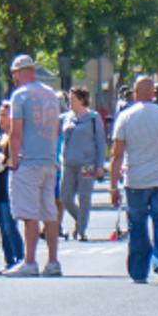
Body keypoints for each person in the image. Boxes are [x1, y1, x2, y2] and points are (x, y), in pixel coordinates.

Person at [109, 75, 158, 286]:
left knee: (138, 226)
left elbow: (116, 155)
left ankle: (139, 270)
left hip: (135, 180)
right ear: (154, 93)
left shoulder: (126, 117)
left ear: (135, 93)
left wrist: (113, 186)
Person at [3, 54, 63, 277]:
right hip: (49, 159)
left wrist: (13, 159)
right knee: (49, 212)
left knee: (29, 213)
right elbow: (56, 130)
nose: (14, 79)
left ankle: (29, 262)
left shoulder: (20, 95)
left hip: (28, 161)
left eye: (14, 74)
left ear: (19, 73)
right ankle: (53, 261)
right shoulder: (51, 94)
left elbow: (15, 132)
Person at [58, 86, 107, 242]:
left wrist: (100, 165)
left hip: (87, 164)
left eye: (73, 99)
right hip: (69, 163)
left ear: (82, 100)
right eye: (69, 100)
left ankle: (82, 230)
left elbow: (100, 142)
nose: (70, 103)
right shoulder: (66, 117)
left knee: (84, 197)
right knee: (65, 197)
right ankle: (80, 219)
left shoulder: (93, 118)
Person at [0, 106, 24, 271]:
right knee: (2, 226)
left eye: (4, 115)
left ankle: (20, 258)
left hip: (10, 186)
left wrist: (4, 162)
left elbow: (16, 161)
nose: (0, 118)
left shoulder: (15, 138)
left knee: (9, 224)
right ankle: (9, 259)